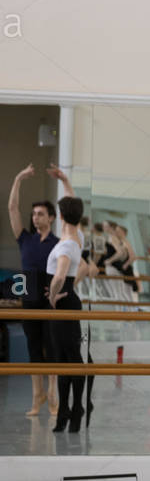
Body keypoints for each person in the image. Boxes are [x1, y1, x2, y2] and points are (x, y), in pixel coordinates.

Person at [7, 162, 75, 418]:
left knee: (53, 349)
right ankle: (38, 396)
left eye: (40, 214)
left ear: (51, 218)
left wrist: (65, 182)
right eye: (34, 213)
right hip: (29, 299)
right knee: (34, 349)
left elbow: (72, 211)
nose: (35, 217)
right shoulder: (24, 238)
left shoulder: (60, 242)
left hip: (52, 302)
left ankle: (54, 396)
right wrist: (18, 179)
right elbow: (12, 207)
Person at [47, 195, 89, 433]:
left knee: (70, 360)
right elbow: (80, 268)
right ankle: (66, 411)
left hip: (62, 304)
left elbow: (60, 276)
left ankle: (73, 411)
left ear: (61, 216)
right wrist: (65, 181)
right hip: (69, 301)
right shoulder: (77, 238)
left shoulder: (66, 244)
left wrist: (53, 296)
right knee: (67, 360)